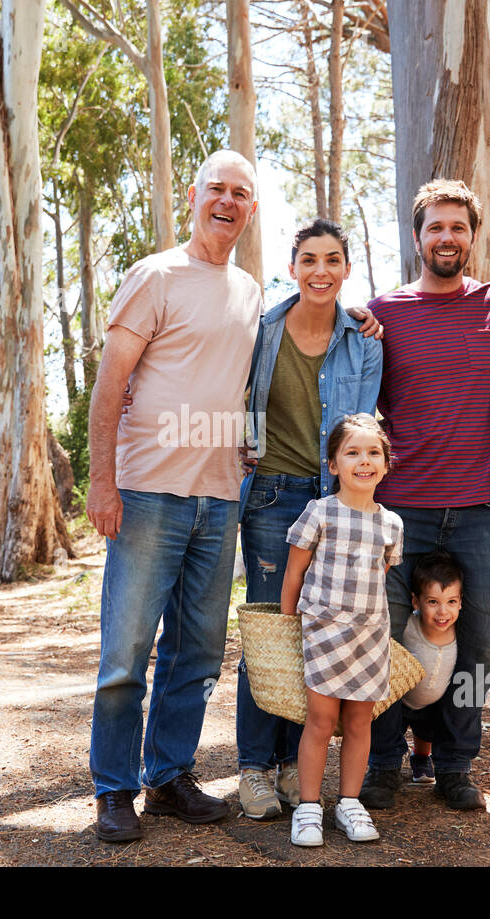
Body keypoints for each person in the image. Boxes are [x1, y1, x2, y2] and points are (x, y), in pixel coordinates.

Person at [85, 149, 262, 843]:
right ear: (194, 195)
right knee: (126, 654)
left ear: (251, 207)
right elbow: (110, 385)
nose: (226, 201)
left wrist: (245, 441)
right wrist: (103, 481)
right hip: (149, 493)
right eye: (216, 188)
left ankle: (168, 777)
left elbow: (237, 382)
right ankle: (114, 790)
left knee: (195, 651)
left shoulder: (249, 290)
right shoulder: (155, 275)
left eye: (240, 193)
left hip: (220, 500)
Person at [360, 179, 490, 813]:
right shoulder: (383, 313)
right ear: (417, 236)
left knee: (478, 640)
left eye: (458, 227)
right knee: (387, 637)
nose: (446, 238)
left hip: (482, 507)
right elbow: (354, 396)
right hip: (400, 509)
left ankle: (454, 764)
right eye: (435, 228)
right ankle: (383, 764)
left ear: (473, 237)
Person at [234, 219, 383, 821]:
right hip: (270, 497)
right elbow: (236, 398)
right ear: (292, 268)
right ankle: (253, 768)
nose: (320, 270)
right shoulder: (262, 330)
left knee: (324, 633)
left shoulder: (366, 342)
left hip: (337, 502)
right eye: (308, 260)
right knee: (272, 629)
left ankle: (298, 763)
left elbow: (362, 424)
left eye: (332, 260)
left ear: (347, 269)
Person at [278, 414, 403, 846]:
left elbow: (380, 577)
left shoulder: (392, 524)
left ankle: (349, 802)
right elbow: (294, 573)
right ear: (333, 464)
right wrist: (288, 622)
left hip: (370, 635)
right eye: (352, 452)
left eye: (373, 453)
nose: (363, 461)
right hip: (324, 632)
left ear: (386, 464)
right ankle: (309, 807)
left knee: (359, 720)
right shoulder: (319, 513)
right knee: (320, 719)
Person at [399, 551, 490, 785]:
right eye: (433, 602)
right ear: (415, 602)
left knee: (430, 727)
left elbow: (485, 640)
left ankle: (421, 757)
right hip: (401, 698)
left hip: (436, 701)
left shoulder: (461, 629)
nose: (443, 612)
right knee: (390, 725)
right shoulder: (408, 626)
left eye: (451, 602)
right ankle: (384, 764)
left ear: (461, 602)